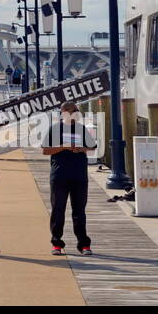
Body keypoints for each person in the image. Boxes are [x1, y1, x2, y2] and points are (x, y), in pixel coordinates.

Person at [42, 102, 96, 255]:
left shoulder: (81, 129)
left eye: (76, 111)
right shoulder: (55, 129)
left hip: (79, 175)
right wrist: (64, 146)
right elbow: (45, 150)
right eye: (72, 111)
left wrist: (82, 148)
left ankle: (84, 244)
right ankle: (56, 243)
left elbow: (92, 149)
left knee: (79, 210)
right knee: (58, 209)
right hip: (59, 175)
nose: (75, 113)